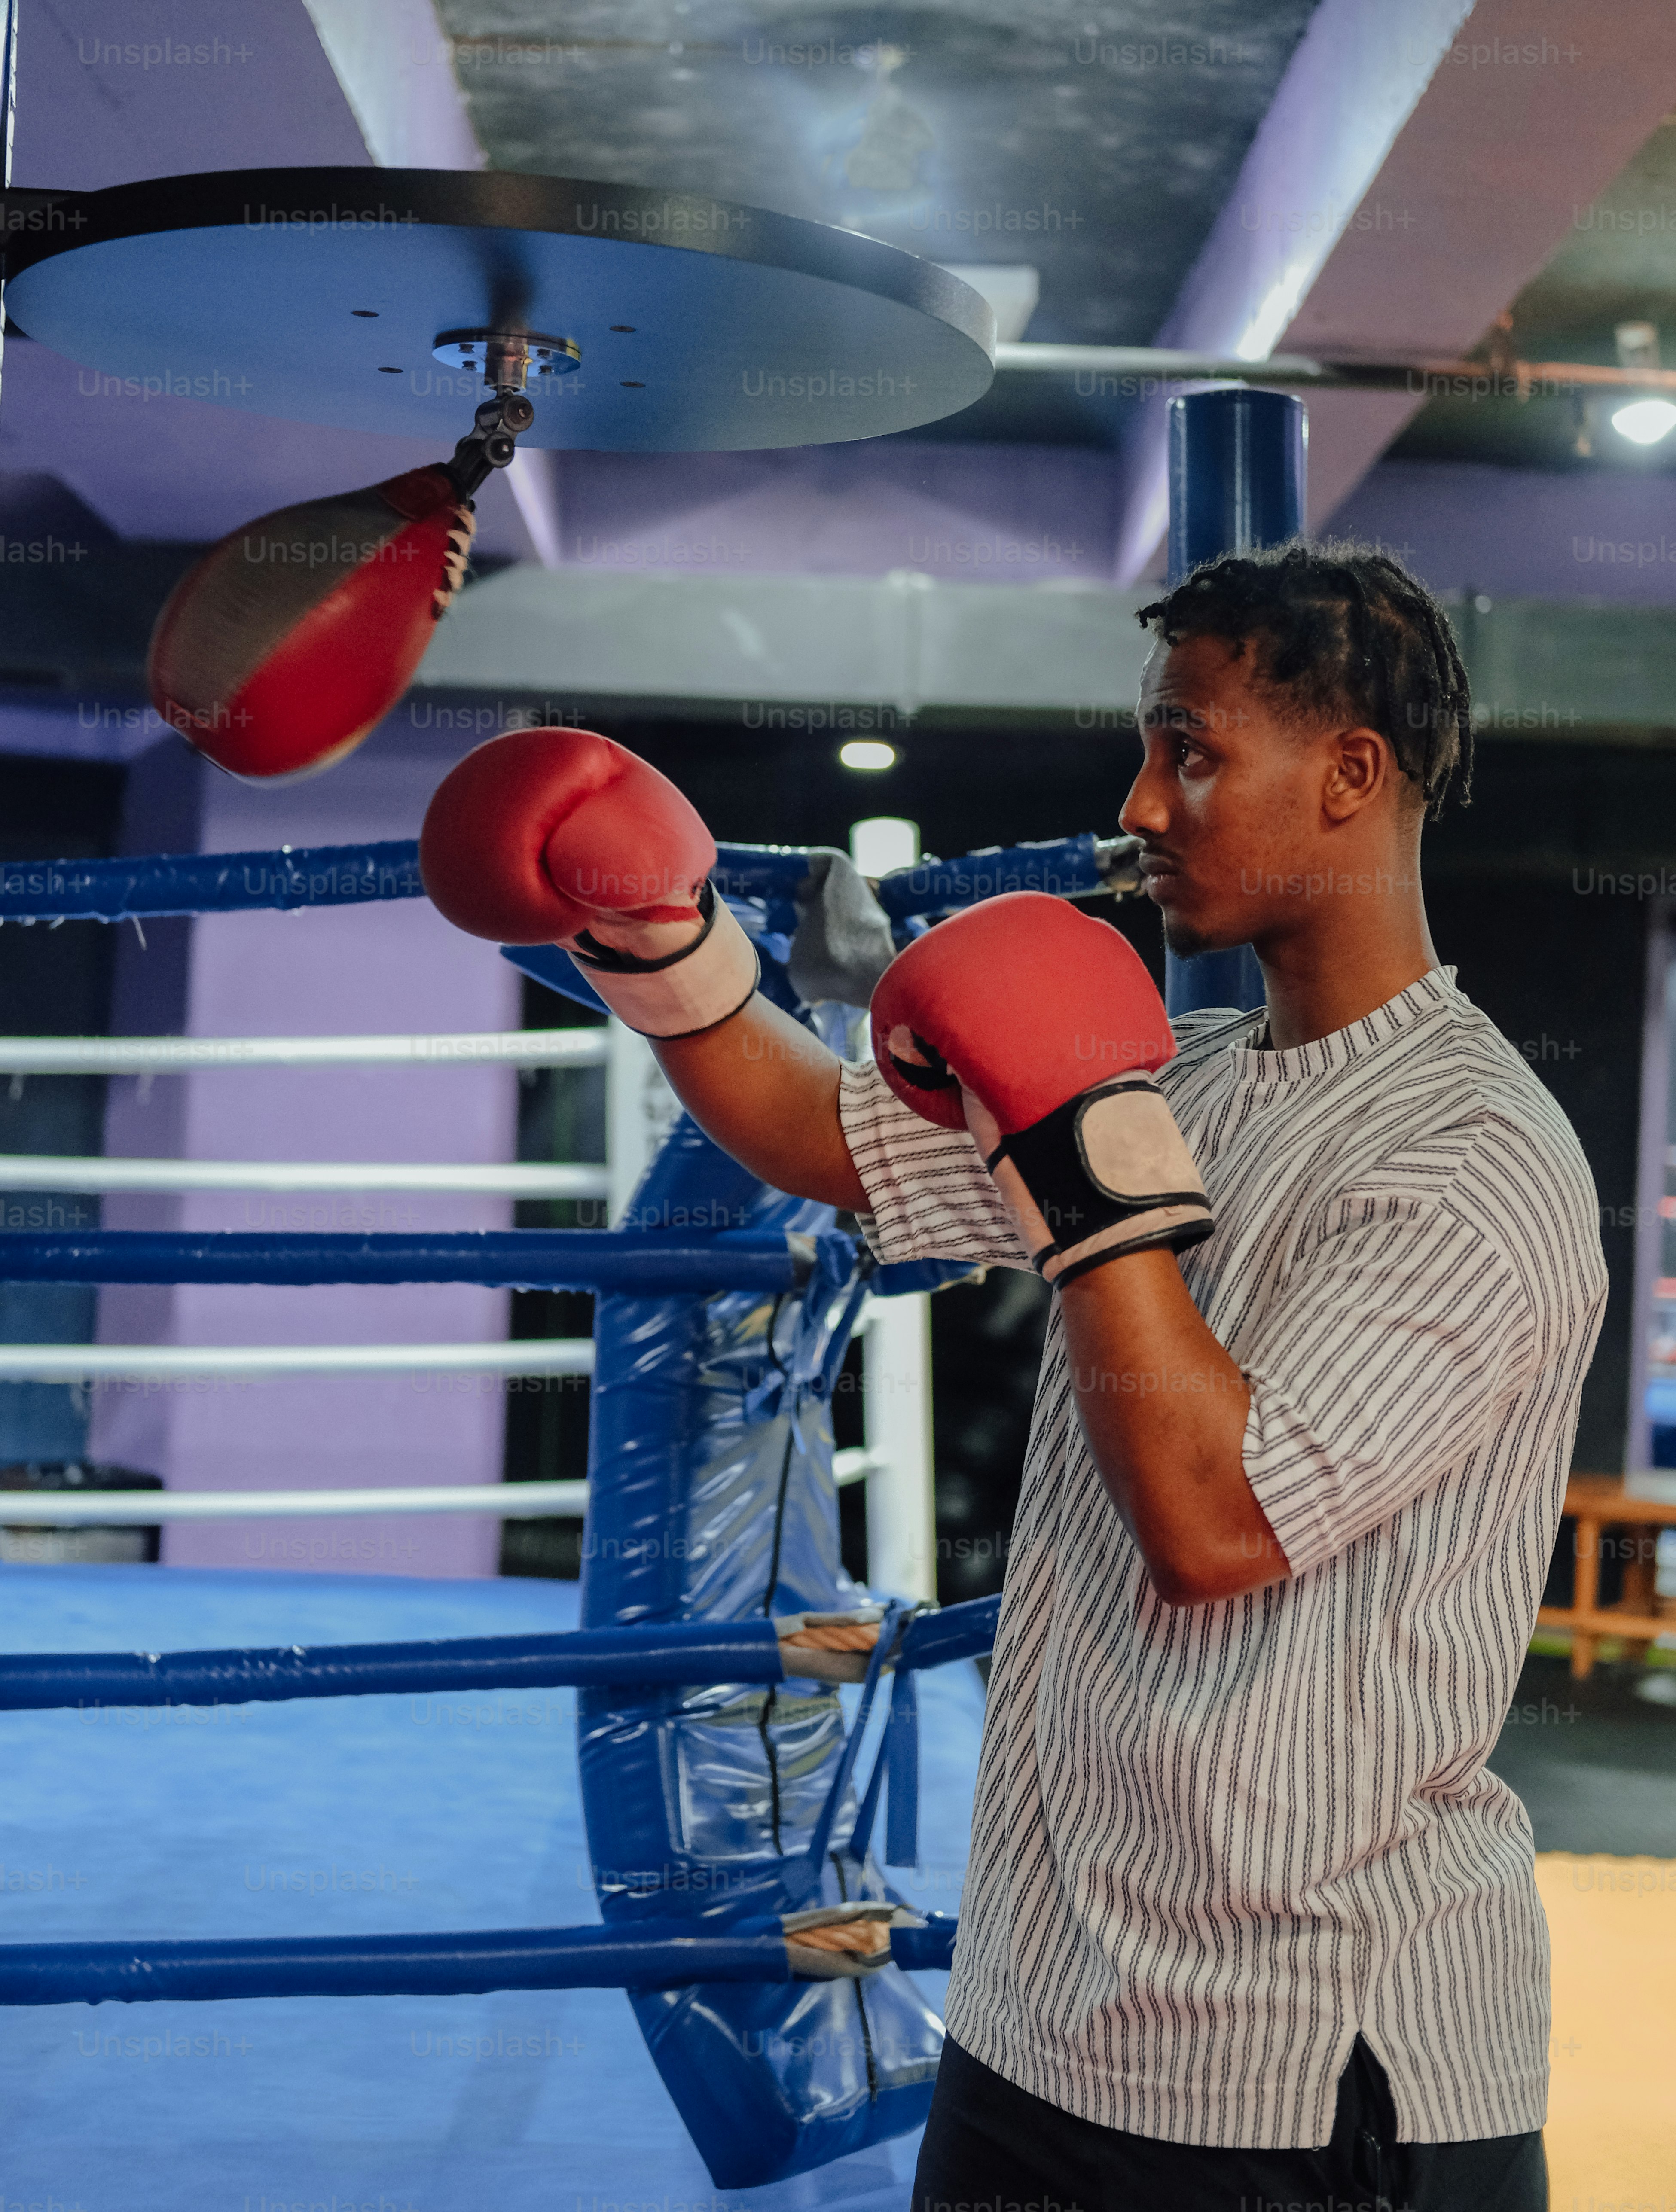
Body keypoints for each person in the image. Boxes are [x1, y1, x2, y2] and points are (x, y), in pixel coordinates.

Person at [421, 541, 1606, 2212]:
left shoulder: (1476, 1161)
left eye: (1188, 750)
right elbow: (820, 1134)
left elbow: (1209, 1520)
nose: (1137, 802)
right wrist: (663, 940)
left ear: (1352, 773)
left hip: (1309, 2073)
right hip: (1042, 2019)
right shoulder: (1176, 1078)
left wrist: (1079, 1156)